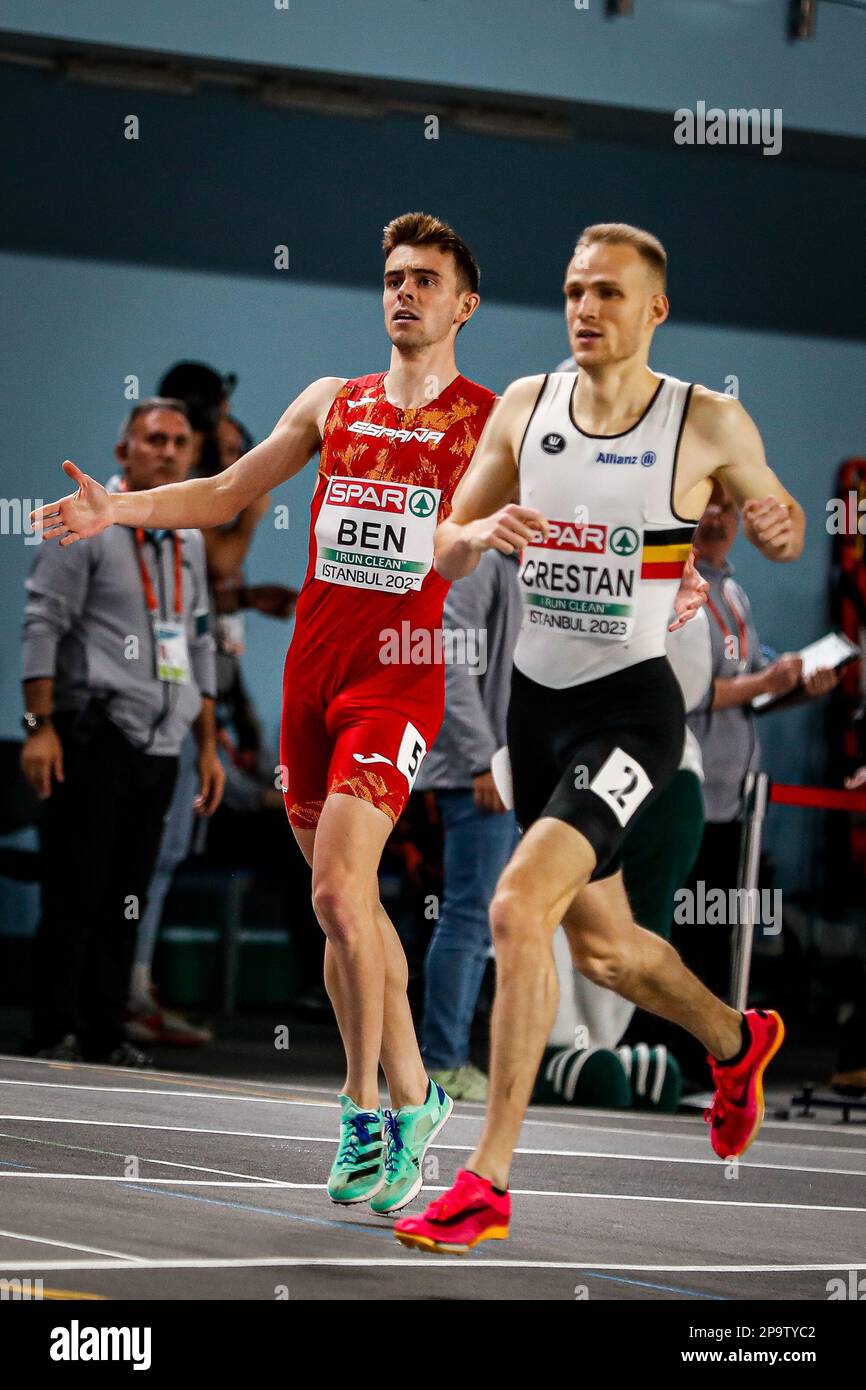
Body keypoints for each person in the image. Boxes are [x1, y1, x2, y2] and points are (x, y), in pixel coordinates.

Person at [30, 213, 496, 1215]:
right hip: (308, 685)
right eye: (390, 277)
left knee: (336, 893)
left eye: (424, 279)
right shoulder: (334, 402)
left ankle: (360, 1107)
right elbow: (225, 490)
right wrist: (117, 509)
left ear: (462, 304)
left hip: (398, 680)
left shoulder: (490, 420)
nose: (402, 292)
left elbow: (567, 506)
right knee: (353, 904)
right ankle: (416, 1096)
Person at [394, 221, 806, 1254]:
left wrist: (778, 524)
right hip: (537, 714)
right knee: (611, 951)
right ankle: (733, 1035)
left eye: (608, 294)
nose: (584, 308)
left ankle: (484, 1181)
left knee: (510, 902)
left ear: (652, 311)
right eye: (574, 290)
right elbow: (441, 544)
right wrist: (475, 534)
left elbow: (775, 505)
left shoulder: (703, 420)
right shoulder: (524, 408)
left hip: (630, 711)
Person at [21, 398, 224, 1065]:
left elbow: (195, 641)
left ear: (193, 457)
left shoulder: (188, 538)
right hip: (96, 733)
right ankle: (54, 1028)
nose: (166, 452)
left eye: (179, 442)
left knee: (129, 896)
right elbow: (42, 624)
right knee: (76, 889)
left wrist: (206, 743)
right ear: (123, 453)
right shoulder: (88, 522)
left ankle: (106, 1032)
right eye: (153, 440)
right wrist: (40, 726)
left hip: (164, 747)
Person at [414, 550, 523, 1101]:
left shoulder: (536, 559)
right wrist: (483, 759)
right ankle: (443, 1061)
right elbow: (450, 660)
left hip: (518, 771)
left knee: (495, 922)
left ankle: (463, 1055)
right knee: (468, 917)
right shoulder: (480, 562)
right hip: (477, 773)